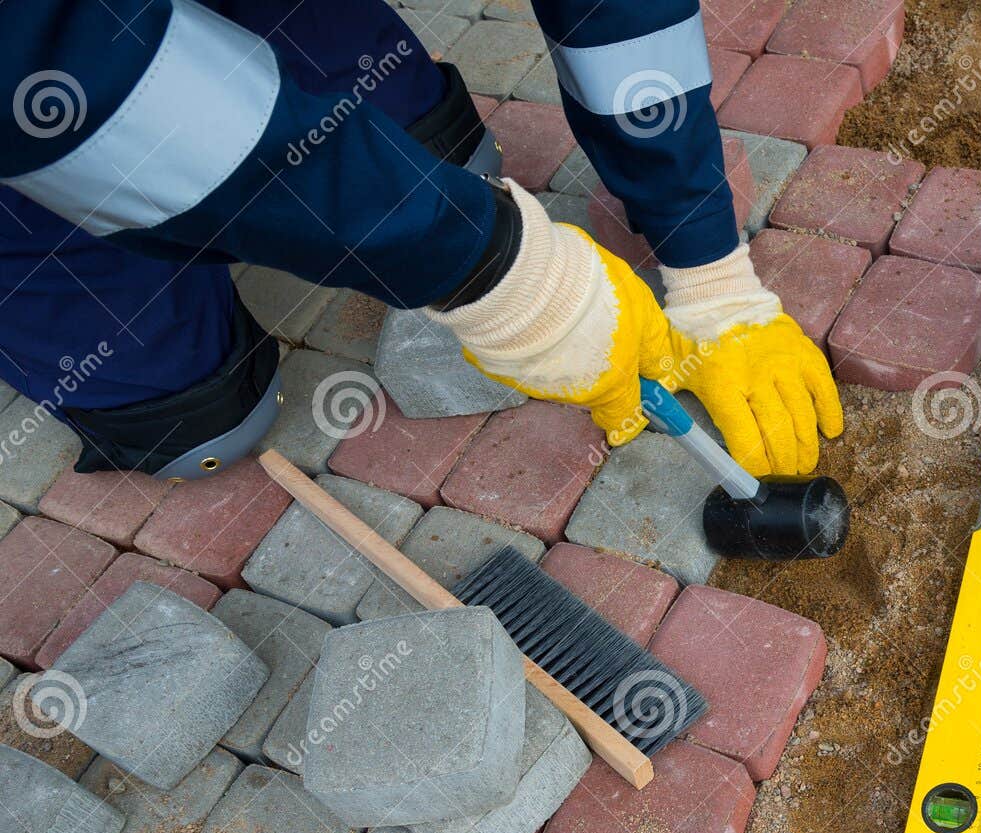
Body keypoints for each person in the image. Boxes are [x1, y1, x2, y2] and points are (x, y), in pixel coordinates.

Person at [0, 0, 842, 481]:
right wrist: (499, 278)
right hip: (38, 79)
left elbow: (626, 21)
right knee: (197, 423)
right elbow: (100, 90)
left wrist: (708, 263)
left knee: (431, 154)